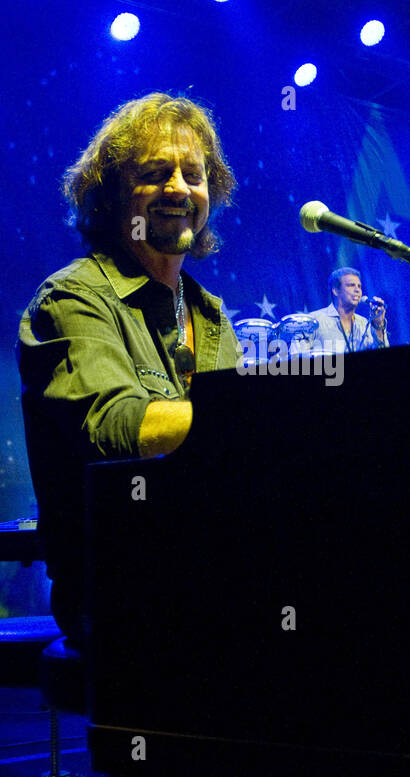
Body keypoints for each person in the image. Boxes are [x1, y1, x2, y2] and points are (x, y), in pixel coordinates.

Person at [17, 93, 244, 641]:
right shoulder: (71, 297)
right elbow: (117, 430)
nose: (178, 188)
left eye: (194, 174)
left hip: (223, 571)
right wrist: (266, 420)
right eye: (154, 173)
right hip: (122, 593)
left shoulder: (211, 314)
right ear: (111, 194)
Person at [306, 267, 389, 354]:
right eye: (351, 285)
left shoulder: (365, 324)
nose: (357, 290)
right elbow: (298, 360)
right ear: (335, 291)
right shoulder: (314, 321)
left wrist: (378, 325)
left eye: (359, 286)